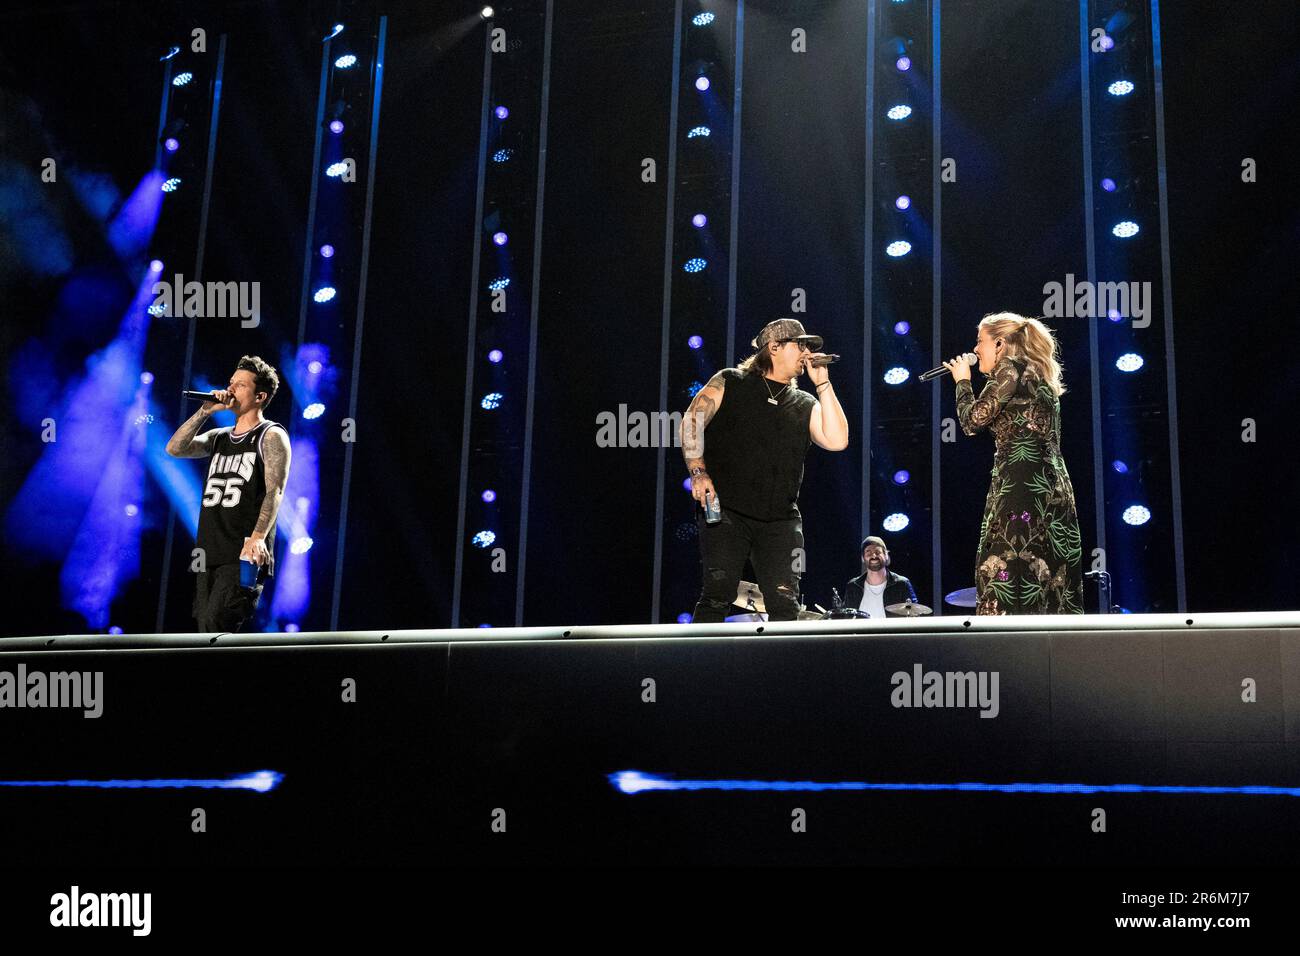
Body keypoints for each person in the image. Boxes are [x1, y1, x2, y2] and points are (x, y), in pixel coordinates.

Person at [681, 318, 849, 622]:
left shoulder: (805, 402)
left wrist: (823, 383)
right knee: (718, 594)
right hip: (727, 510)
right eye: (801, 345)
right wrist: (698, 472)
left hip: (780, 519)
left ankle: (784, 669)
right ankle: (699, 666)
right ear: (774, 347)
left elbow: (837, 441)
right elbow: (691, 421)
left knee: (785, 604)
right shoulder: (731, 381)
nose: (807, 352)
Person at [942, 313, 1082, 615]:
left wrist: (962, 382)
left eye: (981, 341)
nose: (976, 349)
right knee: (1049, 566)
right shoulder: (1037, 375)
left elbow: (972, 421)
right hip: (1051, 486)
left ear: (1001, 343)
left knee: (1010, 564)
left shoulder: (1010, 367)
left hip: (1022, 486)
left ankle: (1010, 648)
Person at [166, 355, 292, 632]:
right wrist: (204, 412)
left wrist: (258, 538)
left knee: (218, 627)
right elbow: (174, 449)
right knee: (205, 633)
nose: (231, 389)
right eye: (231, 383)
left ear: (259, 396)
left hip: (244, 554)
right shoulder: (220, 437)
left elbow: (275, 490)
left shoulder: (270, 435)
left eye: (241, 385)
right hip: (210, 552)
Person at [843, 536, 919, 617]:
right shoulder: (853, 586)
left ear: (886, 555)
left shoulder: (902, 584)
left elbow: (914, 615)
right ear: (863, 558)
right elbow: (847, 618)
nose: (874, 556)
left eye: (878, 552)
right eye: (868, 552)